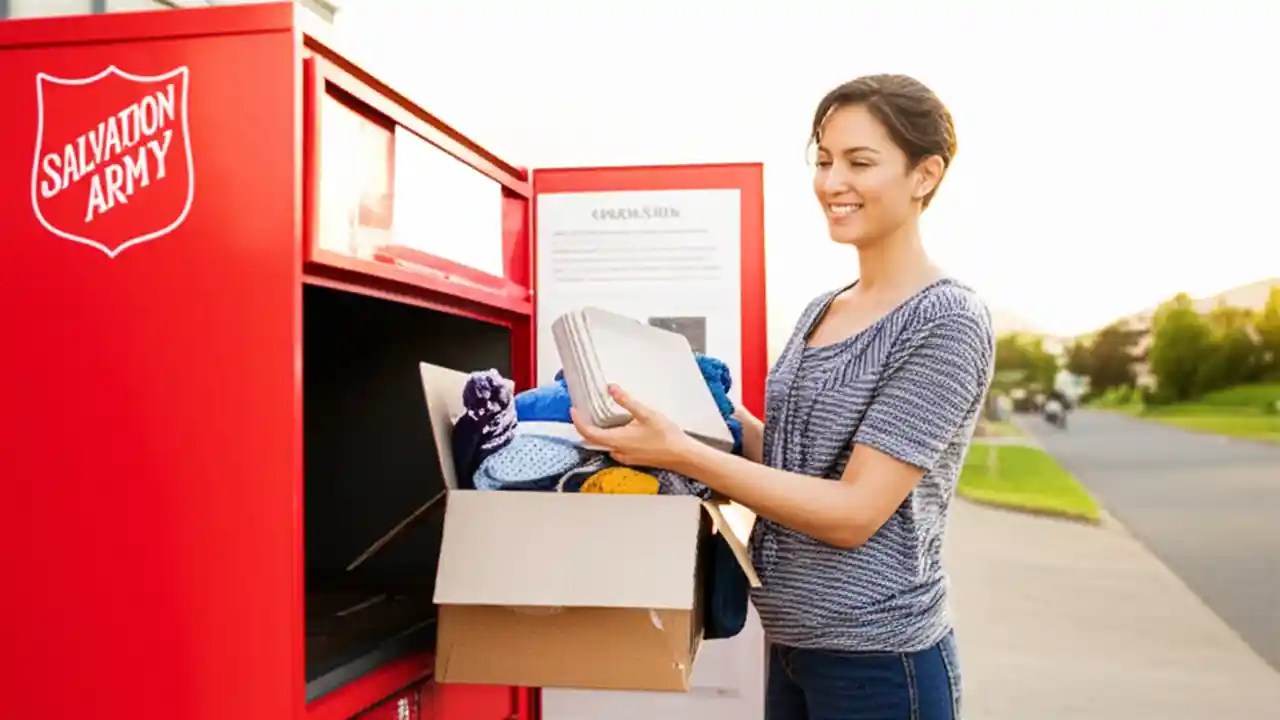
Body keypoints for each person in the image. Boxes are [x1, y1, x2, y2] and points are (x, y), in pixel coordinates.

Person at [572, 73, 995, 720]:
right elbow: (797, 466)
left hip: (881, 664)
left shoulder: (945, 321)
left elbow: (854, 510)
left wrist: (684, 453)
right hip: (795, 645)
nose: (831, 183)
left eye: (859, 162)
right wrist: (705, 414)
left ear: (924, 175)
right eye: (823, 161)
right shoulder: (822, 309)